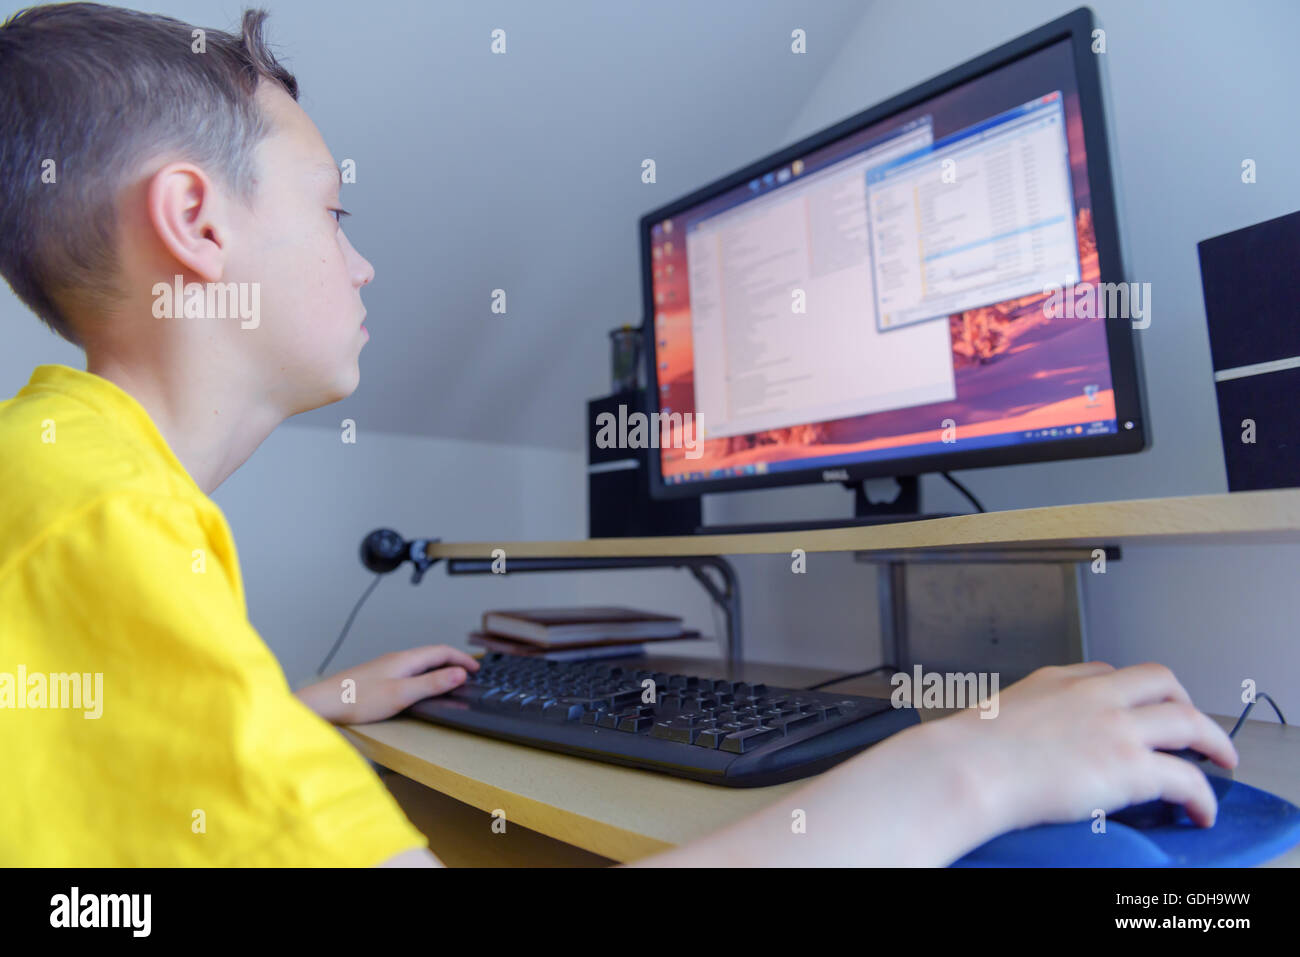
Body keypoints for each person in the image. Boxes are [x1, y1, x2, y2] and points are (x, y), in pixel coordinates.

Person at [0, 3, 1236, 868]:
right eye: (334, 212)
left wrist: (290, 712)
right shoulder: (104, 525)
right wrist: (975, 768)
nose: (362, 263)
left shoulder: (58, 473)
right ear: (196, 222)